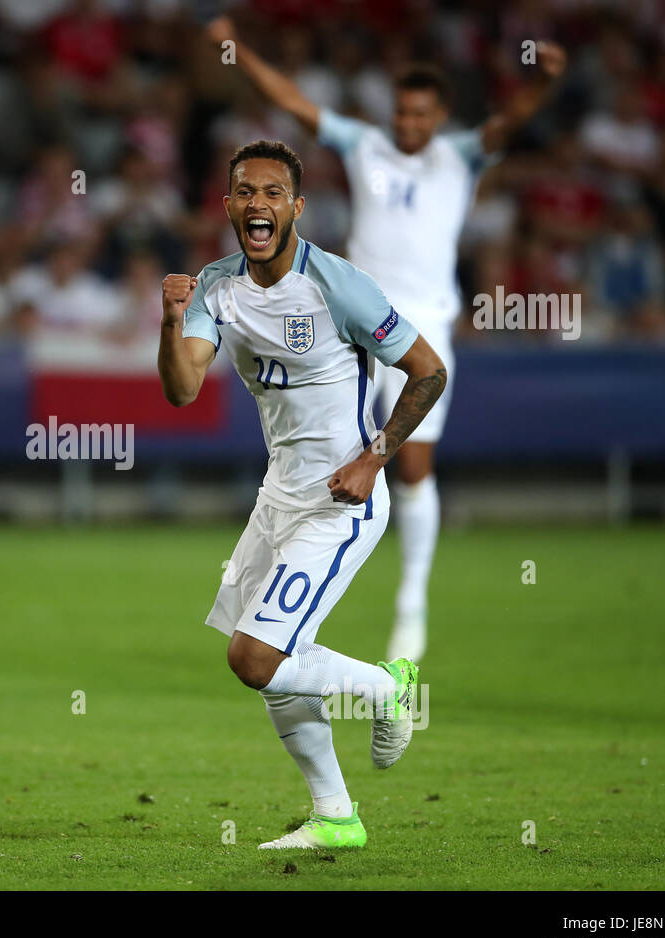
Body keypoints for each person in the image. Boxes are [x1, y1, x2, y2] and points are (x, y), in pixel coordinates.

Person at [207, 16, 566, 662]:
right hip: (352, 321)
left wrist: (542, 84)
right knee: (332, 453)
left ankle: (411, 600)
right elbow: (290, 101)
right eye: (401, 112)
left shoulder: (459, 155)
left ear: (439, 115)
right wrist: (236, 50)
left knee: (413, 464)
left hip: (420, 329)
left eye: (420, 115)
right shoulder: (363, 143)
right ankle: (295, 594)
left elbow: (509, 122)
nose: (407, 124)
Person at [157, 140, 445, 849]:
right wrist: (170, 321)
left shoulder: (338, 284)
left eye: (273, 192)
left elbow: (429, 372)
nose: (259, 204)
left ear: (295, 207)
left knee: (255, 655)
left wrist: (374, 459)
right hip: (277, 499)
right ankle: (336, 815)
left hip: (341, 503)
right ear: (228, 206)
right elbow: (181, 388)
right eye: (245, 192)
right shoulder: (216, 286)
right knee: (280, 661)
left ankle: (387, 687)